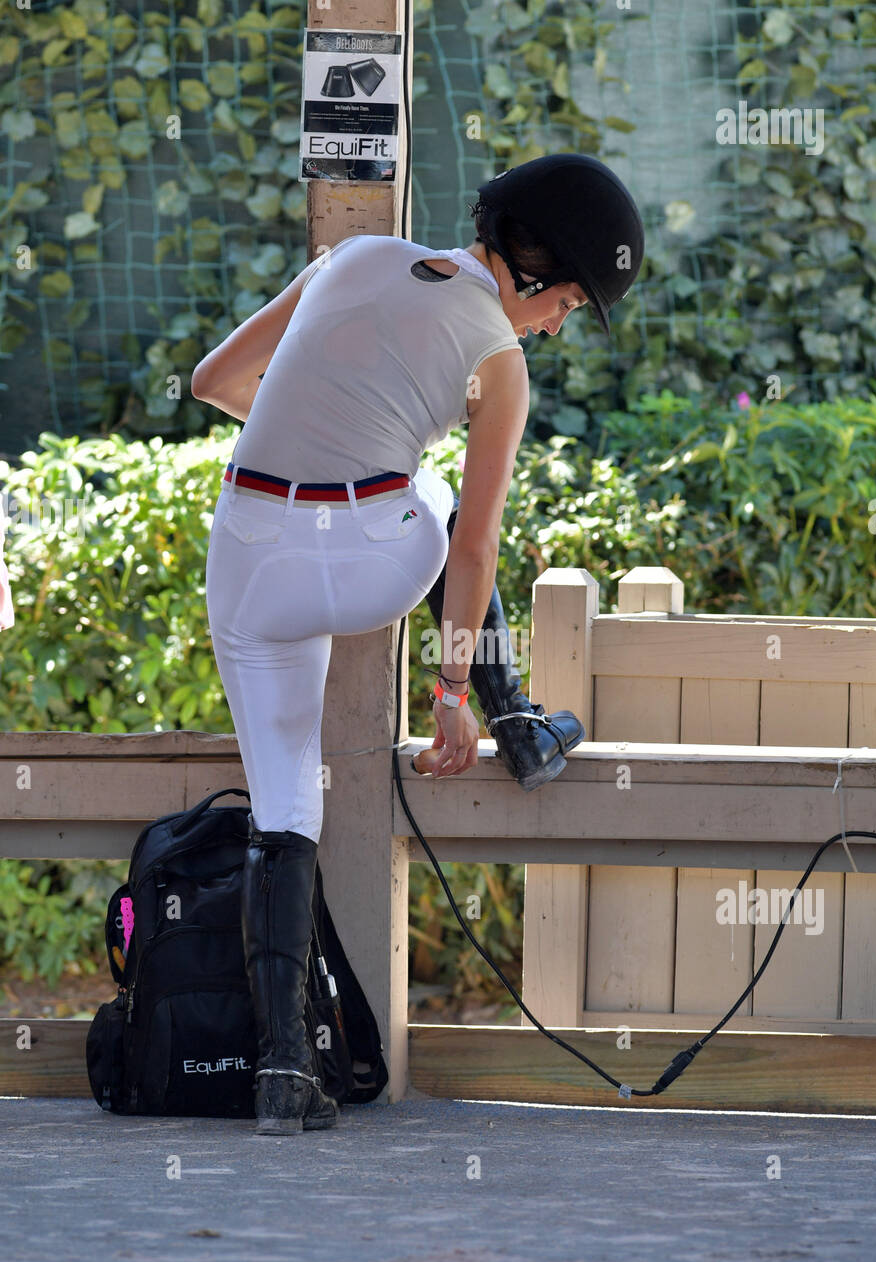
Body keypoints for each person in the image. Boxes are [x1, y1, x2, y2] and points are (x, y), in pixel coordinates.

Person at [191, 153, 644, 1135]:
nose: (559, 323)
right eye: (567, 304)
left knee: (284, 804)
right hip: (368, 562)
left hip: (247, 555)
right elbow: (471, 551)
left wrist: (314, 442)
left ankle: (280, 1073)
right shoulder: (499, 360)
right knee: (436, 500)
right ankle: (511, 714)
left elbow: (215, 381)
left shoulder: (349, 256)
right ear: (538, 275)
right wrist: (446, 694)